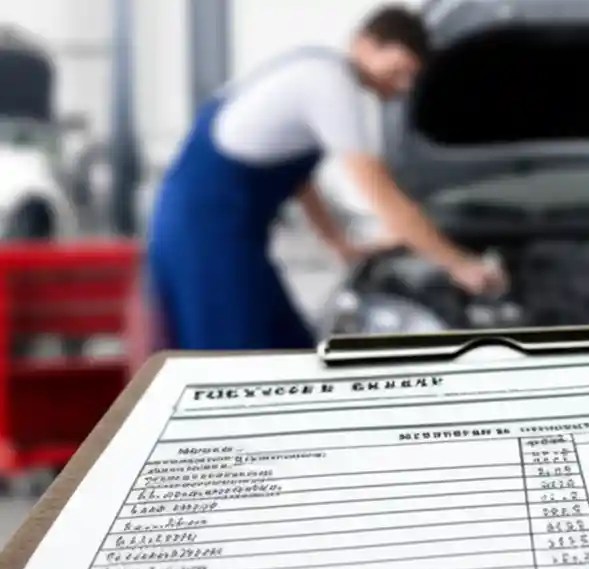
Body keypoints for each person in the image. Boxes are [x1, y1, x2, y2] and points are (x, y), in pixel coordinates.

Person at [147, 5, 505, 350]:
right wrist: (460, 265)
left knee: (287, 347)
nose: (403, 86)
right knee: (237, 360)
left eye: (412, 78)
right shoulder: (330, 84)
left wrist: (338, 242)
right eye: (399, 70)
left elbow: (299, 180)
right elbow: (382, 195)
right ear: (365, 43)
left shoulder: (314, 73)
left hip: (221, 231)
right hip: (202, 234)